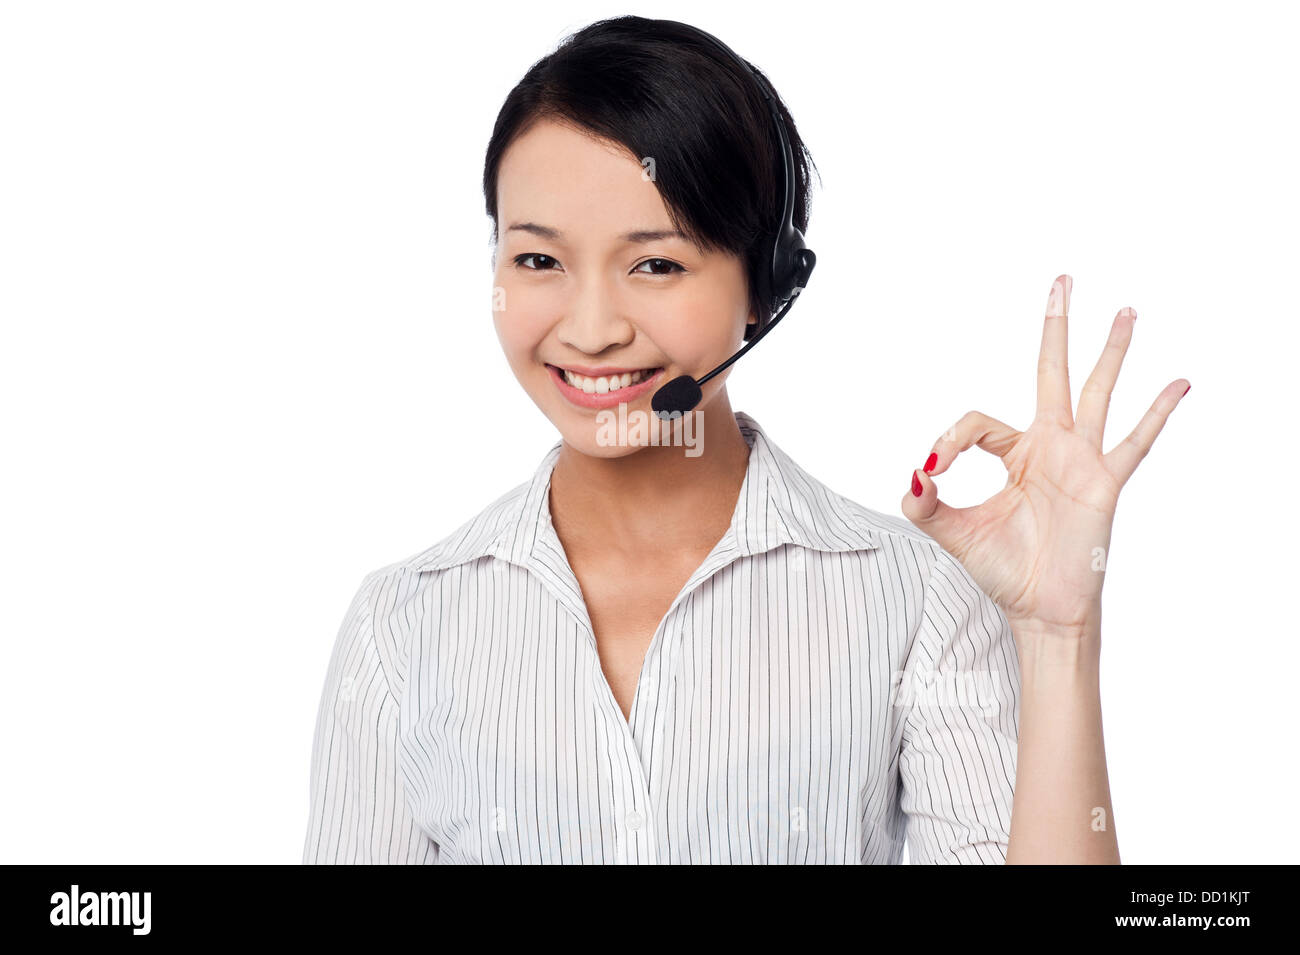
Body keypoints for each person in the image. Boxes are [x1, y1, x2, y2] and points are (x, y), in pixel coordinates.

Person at [301, 16, 1188, 864]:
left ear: (766, 289)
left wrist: (1058, 633)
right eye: (538, 260)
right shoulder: (401, 626)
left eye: (657, 263)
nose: (593, 327)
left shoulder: (913, 600)